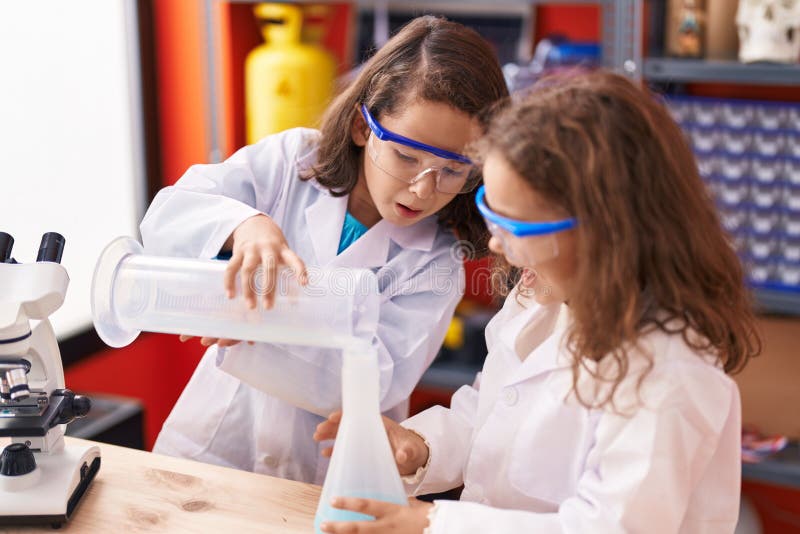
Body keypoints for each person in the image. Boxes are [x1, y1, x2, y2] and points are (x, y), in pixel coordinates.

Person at [314, 70, 761, 533]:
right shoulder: (542, 296)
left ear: (608, 234)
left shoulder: (670, 371)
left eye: (519, 227)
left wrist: (433, 521)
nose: (495, 245)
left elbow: (609, 527)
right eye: (492, 210)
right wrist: (418, 447)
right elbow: (489, 418)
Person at [139, 16, 508, 484]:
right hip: (211, 450)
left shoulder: (435, 262)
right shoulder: (291, 162)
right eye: (406, 156)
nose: (421, 189)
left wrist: (251, 323)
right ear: (362, 127)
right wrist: (242, 225)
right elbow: (167, 218)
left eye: (452, 169)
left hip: (321, 477)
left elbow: (369, 383)